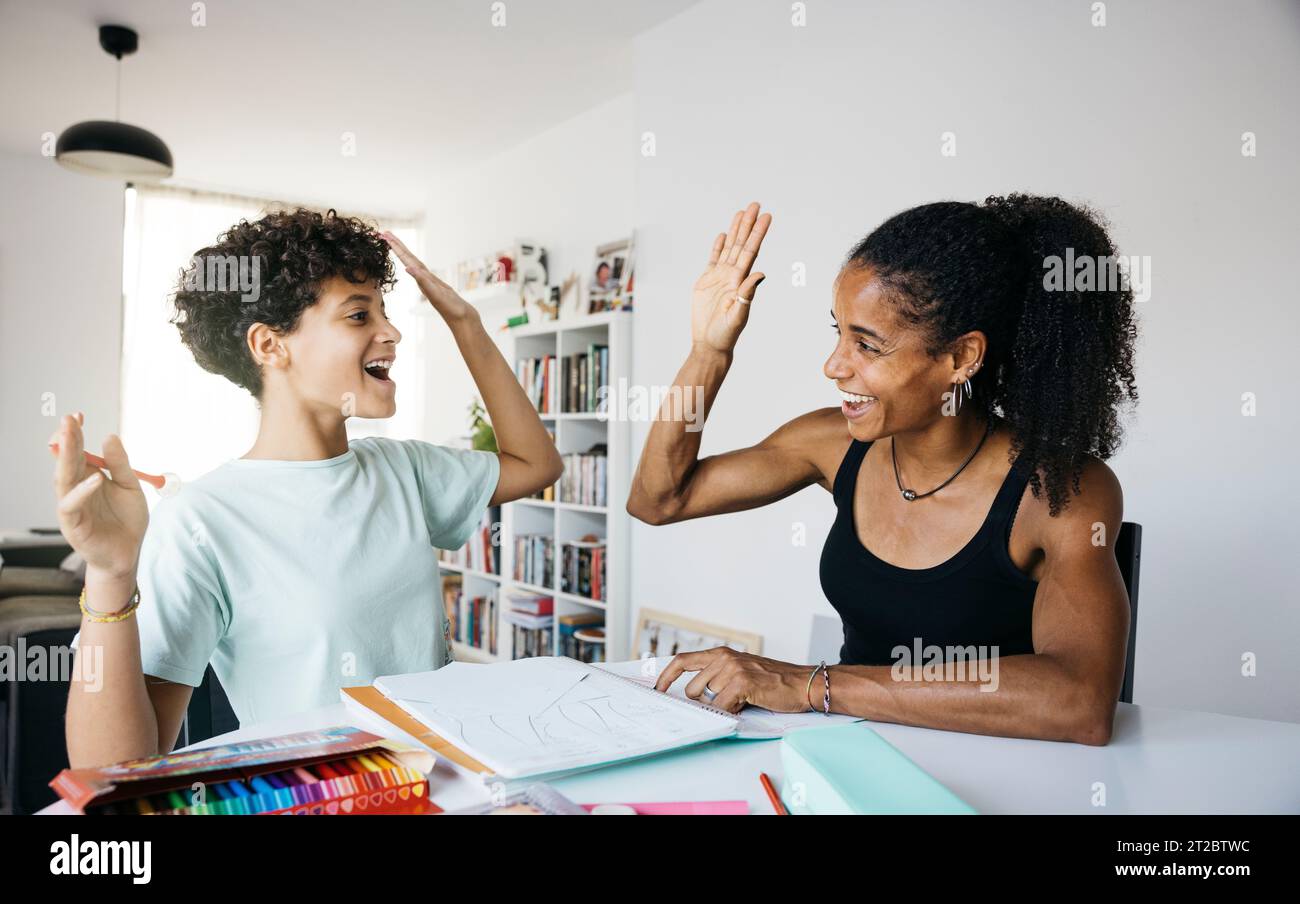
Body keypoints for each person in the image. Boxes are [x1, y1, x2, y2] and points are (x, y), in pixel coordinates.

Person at [53, 208, 562, 768]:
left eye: (385, 313)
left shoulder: (404, 470)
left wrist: (466, 323)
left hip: (451, 789)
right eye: (358, 315)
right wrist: (109, 573)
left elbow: (536, 464)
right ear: (271, 346)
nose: (390, 332)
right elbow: (112, 771)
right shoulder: (201, 518)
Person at [627, 197, 1138, 745]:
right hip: (853, 754)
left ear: (961, 357)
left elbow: (1079, 703)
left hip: (1000, 775)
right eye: (839, 333)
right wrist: (708, 352)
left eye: (867, 344)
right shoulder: (832, 443)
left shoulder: (1060, 490)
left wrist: (812, 686)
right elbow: (659, 500)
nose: (834, 365)